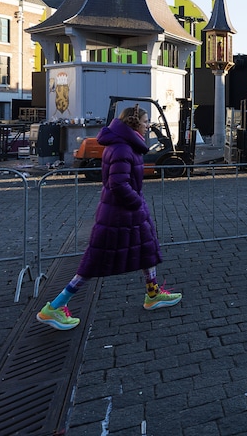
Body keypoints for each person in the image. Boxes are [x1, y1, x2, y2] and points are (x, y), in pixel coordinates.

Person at [36, 105, 182, 330]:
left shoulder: (126, 146)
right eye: (145, 121)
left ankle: (153, 294)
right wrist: (136, 202)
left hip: (128, 212)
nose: (148, 126)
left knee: (148, 250)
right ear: (134, 123)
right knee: (95, 261)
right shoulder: (123, 149)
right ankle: (55, 307)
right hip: (119, 214)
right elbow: (118, 184)